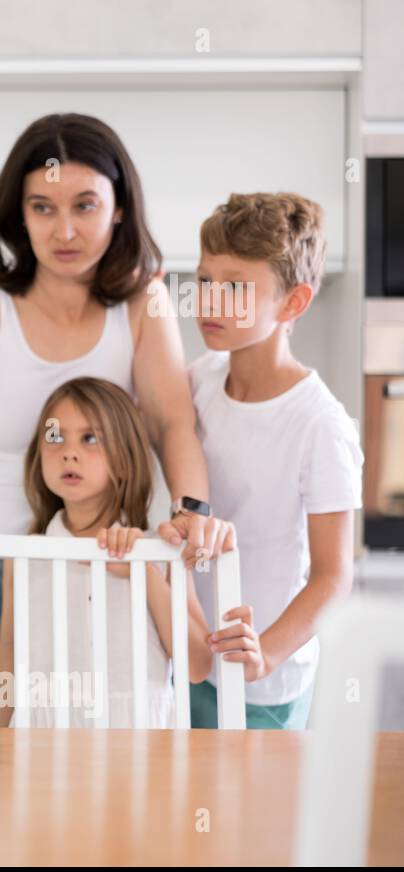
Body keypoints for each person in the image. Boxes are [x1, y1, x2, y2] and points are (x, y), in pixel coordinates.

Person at [0, 113, 229, 726]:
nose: (65, 230)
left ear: (118, 209)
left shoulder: (144, 306)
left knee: (56, 785)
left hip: (85, 566)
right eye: (42, 207)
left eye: (85, 205)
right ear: (19, 216)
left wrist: (190, 513)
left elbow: (173, 424)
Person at [186, 192, 362, 730]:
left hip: (267, 683)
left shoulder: (320, 424)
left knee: (256, 814)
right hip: (193, 661)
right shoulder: (199, 381)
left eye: (235, 287)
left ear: (293, 303)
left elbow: (334, 575)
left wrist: (267, 653)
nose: (211, 302)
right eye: (204, 281)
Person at [0, 377, 216, 729]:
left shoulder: (161, 550)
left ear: (124, 461)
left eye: (90, 438)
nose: (69, 451)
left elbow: (199, 665)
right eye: (54, 437)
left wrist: (142, 573)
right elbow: (7, 671)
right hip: (43, 750)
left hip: (140, 754)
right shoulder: (23, 557)